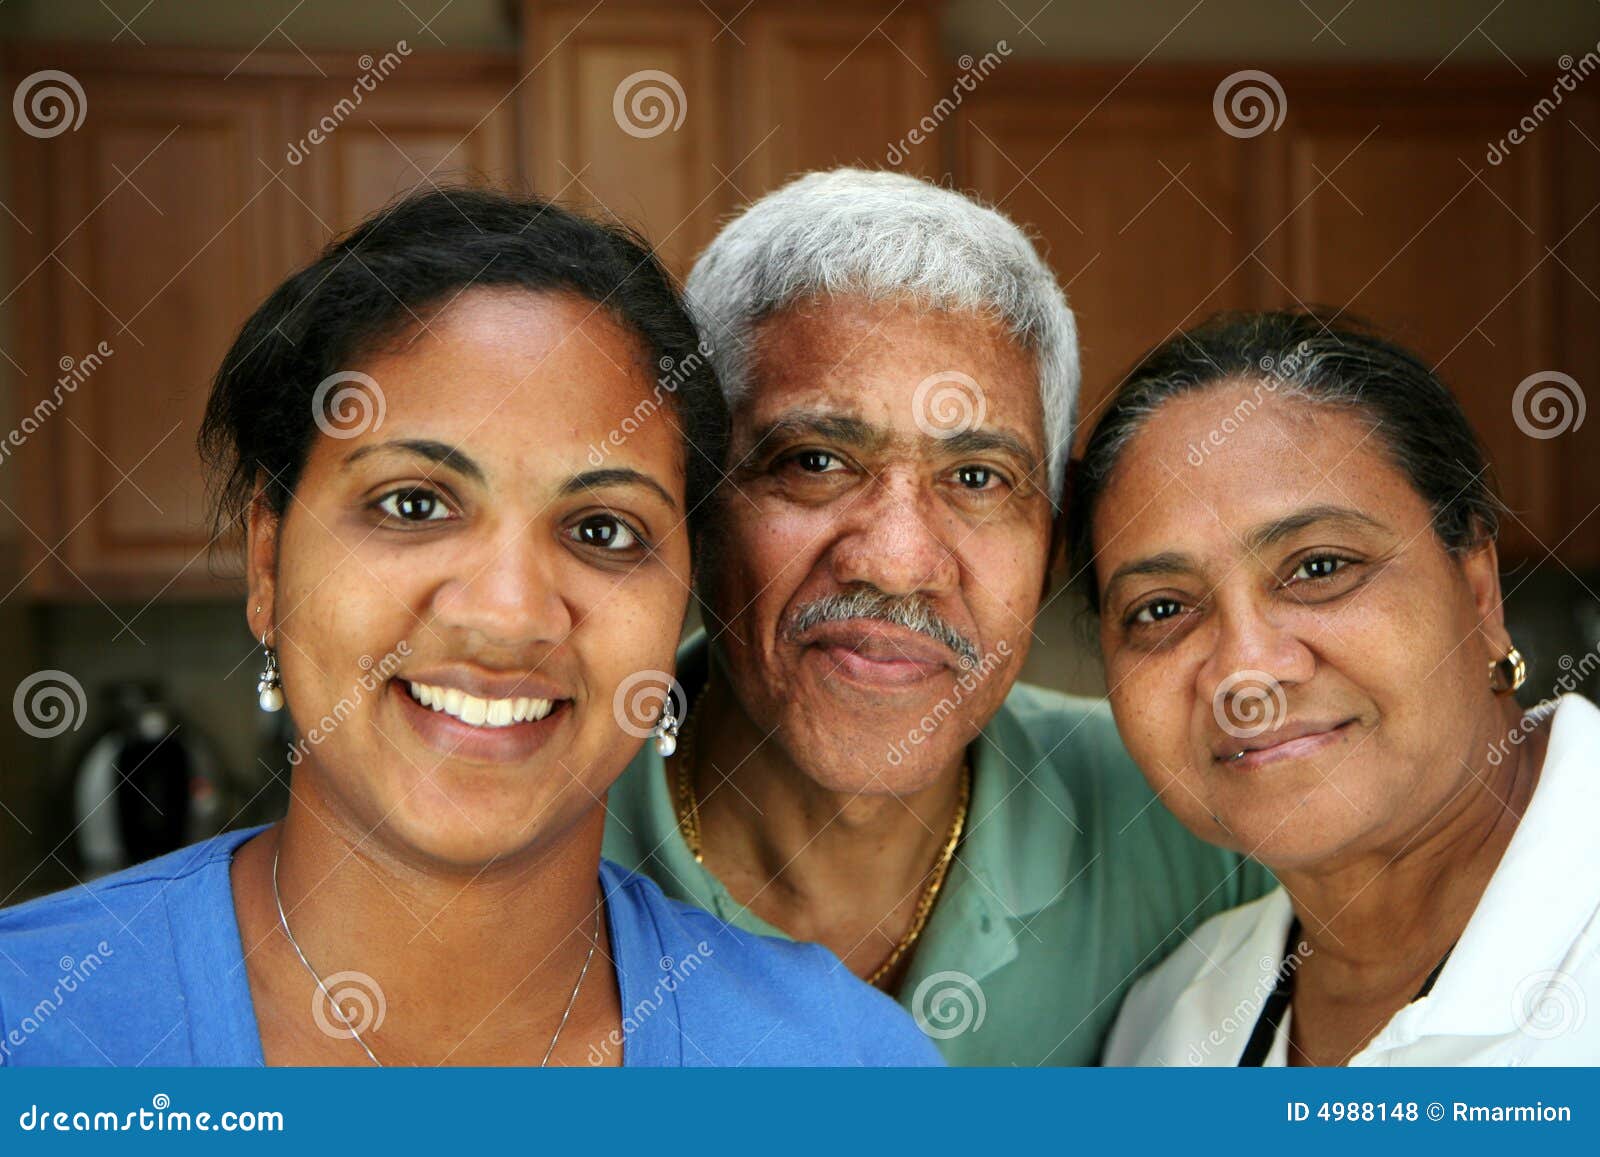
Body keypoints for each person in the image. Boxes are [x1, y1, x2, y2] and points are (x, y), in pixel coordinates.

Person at [0, 188, 940, 1068]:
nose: (508, 613)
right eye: (414, 503)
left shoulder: (844, 1066)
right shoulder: (32, 1020)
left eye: (602, 529)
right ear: (269, 563)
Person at [602, 167, 1275, 1065]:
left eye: (976, 477)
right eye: (815, 461)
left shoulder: (1198, 812)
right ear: (695, 498)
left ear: (1056, 535)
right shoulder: (540, 817)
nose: (896, 562)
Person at [1078, 310, 1600, 1066]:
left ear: (1479, 589)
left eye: (1319, 567)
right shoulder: (1168, 1028)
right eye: (1161, 609)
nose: (1246, 672)